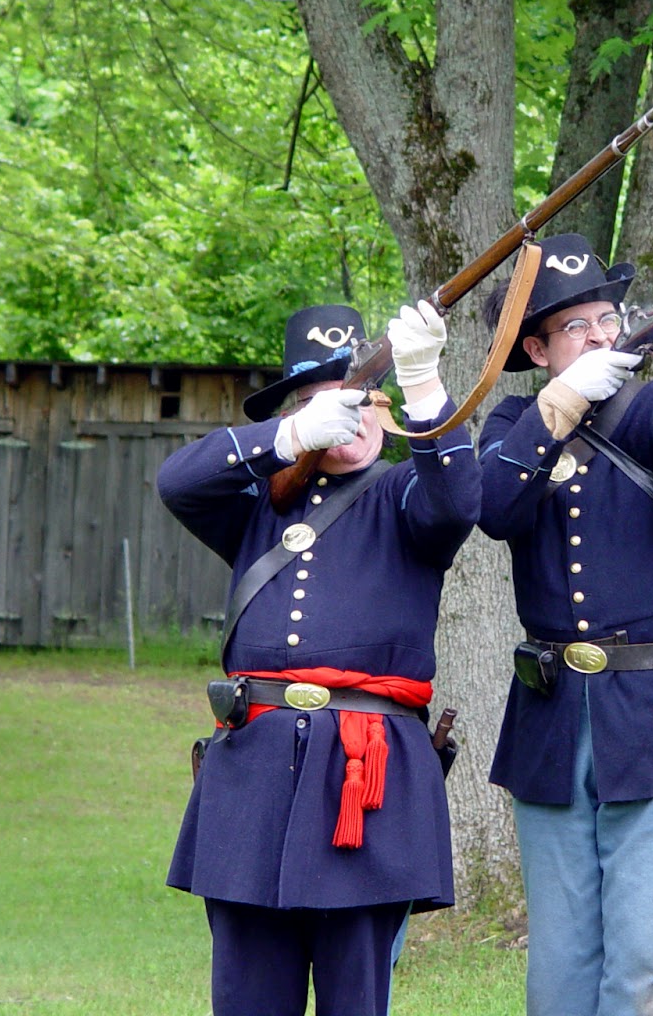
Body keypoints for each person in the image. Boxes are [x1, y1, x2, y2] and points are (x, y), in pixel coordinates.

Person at [158, 300, 480, 1016]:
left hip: (366, 777)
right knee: (246, 996)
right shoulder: (259, 504)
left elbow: (458, 501)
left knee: (354, 999)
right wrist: (288, 436)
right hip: (255, 773)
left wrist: (427, 384)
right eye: (321, 402)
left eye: (362, 398)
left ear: (384, 408)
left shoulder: (404, 493)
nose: (350, 416)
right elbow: (177, 480)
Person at [477, 232, 653, 1016]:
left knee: (646, 973)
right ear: (537, 347)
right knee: (560, 972)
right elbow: (495, 508)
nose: (602, 335)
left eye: (609, 317)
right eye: (577, 327)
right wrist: (560, 406)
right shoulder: (515, 422)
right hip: (554, 723)